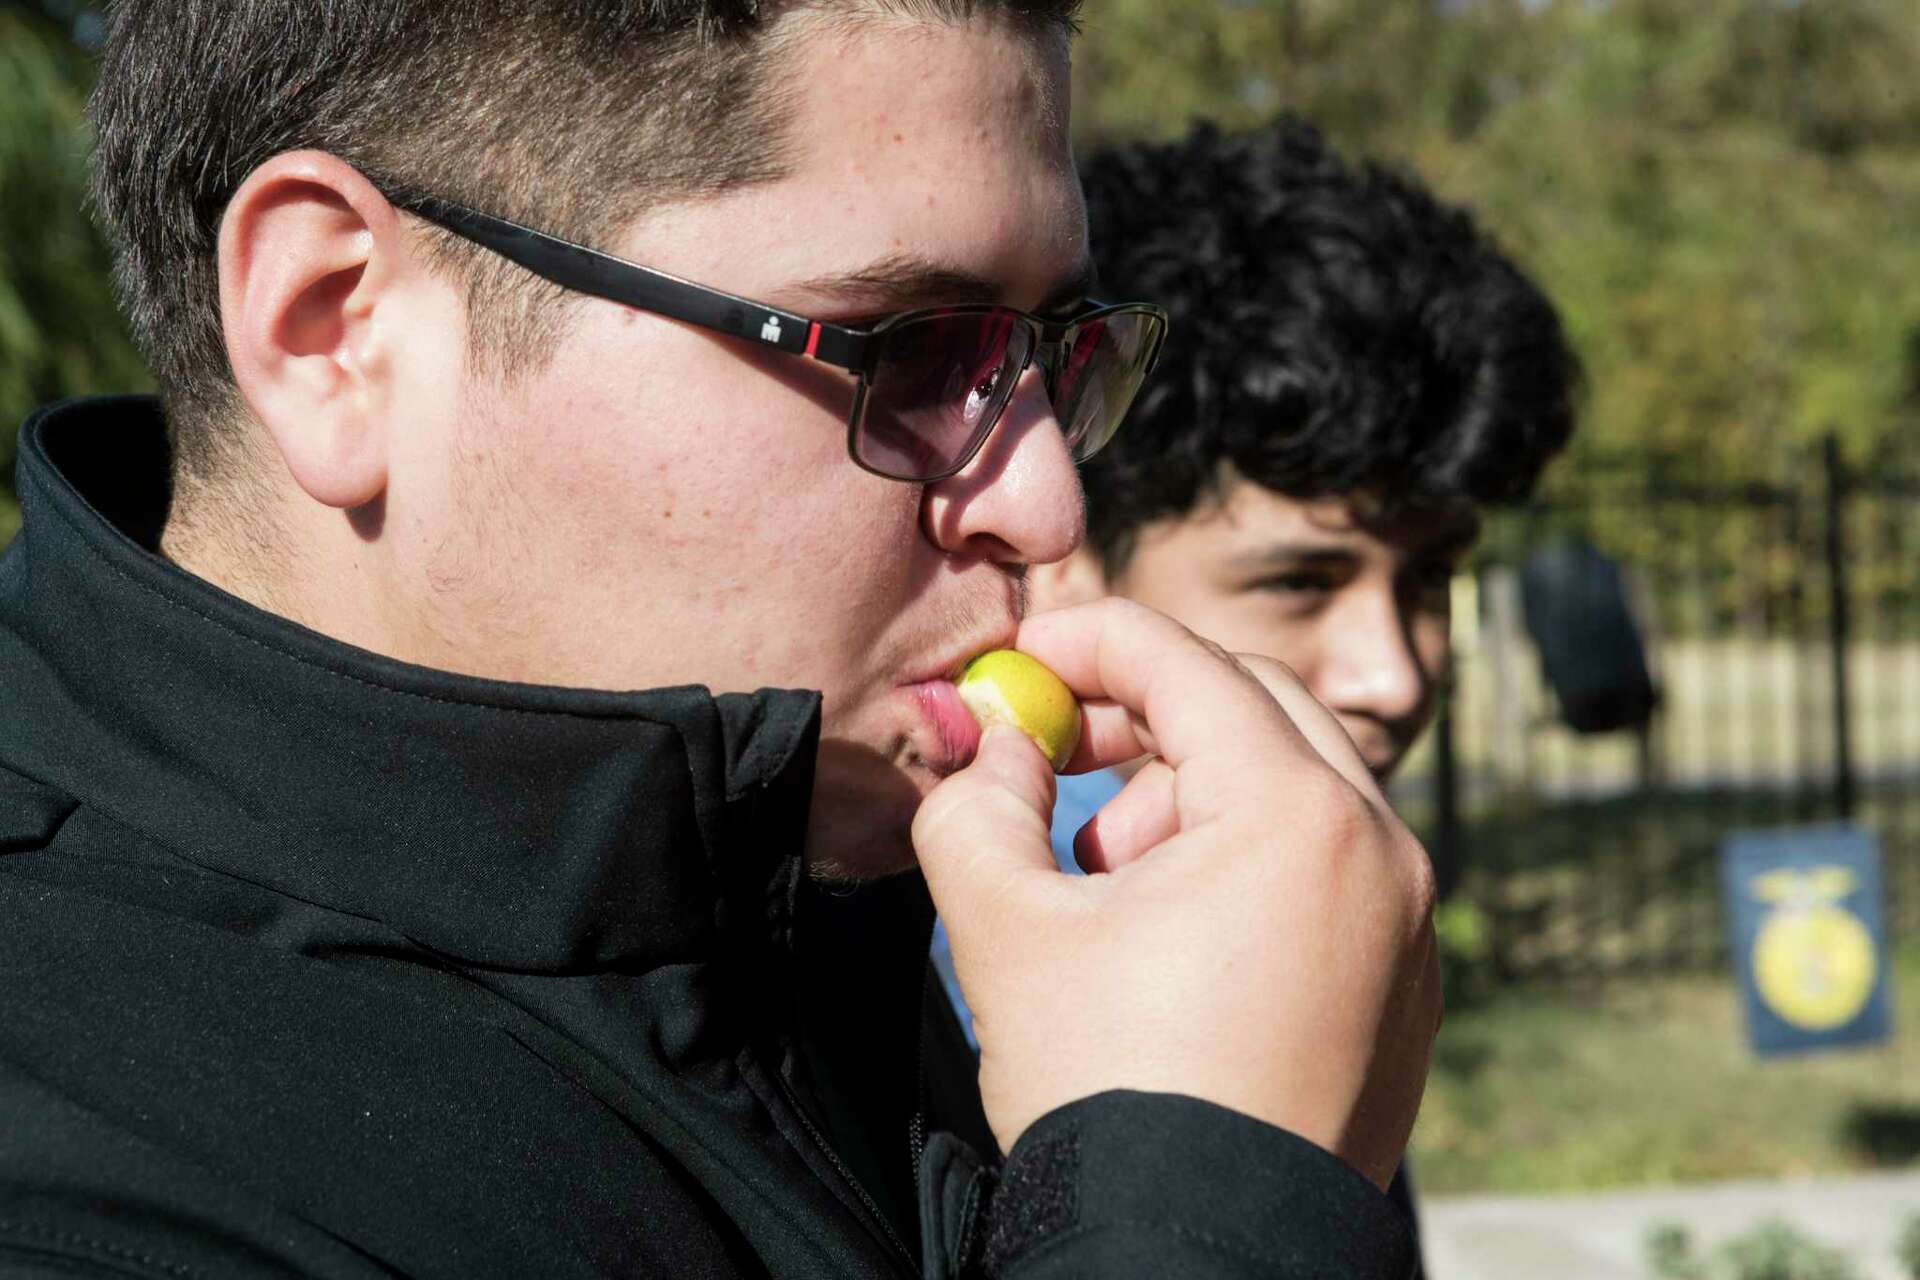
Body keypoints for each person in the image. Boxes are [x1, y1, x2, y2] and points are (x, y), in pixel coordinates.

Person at [0, 7, 1439, 1278]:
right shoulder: (74, 1203)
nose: (1047, 499)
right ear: (333, 325)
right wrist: (1199, 1192)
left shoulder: (803, 891)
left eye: (1047, 354)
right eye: (905, 350)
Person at [931, 119, 1579, 1260]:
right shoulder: (957, 968)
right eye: (1296, 581)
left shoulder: (1290, 906)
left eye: (1429, 577)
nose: (1395, 674)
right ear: (1067, 560)